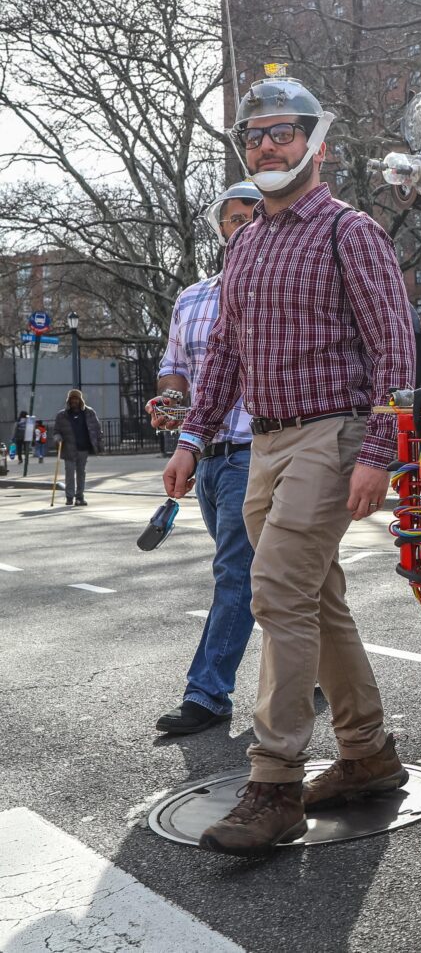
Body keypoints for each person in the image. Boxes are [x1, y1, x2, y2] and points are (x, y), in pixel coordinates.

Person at [163, 74, 415, 855]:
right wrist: (191, 438)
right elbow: (226, 359)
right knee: (318, 597)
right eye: (253, 135)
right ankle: (367, 752)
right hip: (263, 441)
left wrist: (379, 450)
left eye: (281, 130)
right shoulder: (246, 244)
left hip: (332, 434)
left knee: (273, 586)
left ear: (317, 141)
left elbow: (395, 347)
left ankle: (274, 782)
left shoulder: (350, 230)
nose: (266, 144)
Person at [149, 180, 264, 735]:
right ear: (221, 228)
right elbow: (175, 364)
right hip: (206, 456)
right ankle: (320, 665)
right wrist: (174, 403)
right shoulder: (193, 297)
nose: (241, 226)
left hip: (257, 450)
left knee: (235, 574)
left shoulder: (272, 291)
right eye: (233, 218)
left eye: (252, 216)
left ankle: (209, 693)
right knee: (272, 576)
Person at [52, 391, 101, 504]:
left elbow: (97, 428)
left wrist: (99, 442)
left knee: (81, 473)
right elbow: (56, 431)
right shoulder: (62, 415)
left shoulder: (89, 413)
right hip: (68, 449)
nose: (74, 401)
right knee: (69, 474)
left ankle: (79, 497)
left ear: (80, 400)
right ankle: (69, 497)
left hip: (83, 448)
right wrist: (58, 438)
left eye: (76, 399)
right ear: (68, 401)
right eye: (72, 399)